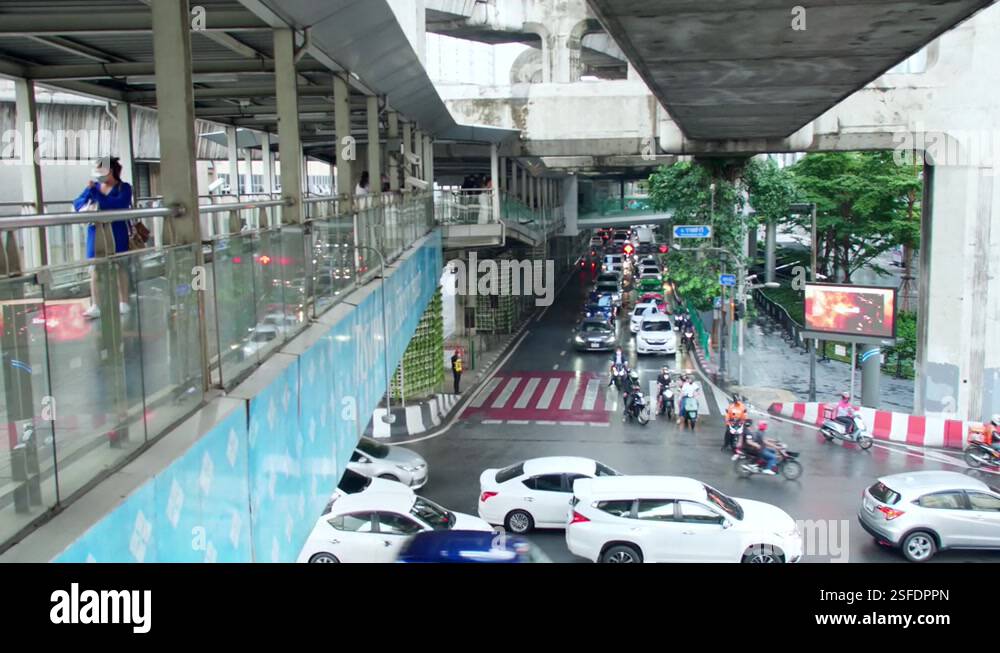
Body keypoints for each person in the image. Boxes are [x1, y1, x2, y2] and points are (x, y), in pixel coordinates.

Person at [73, 156, 133, 319]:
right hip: (95, 229)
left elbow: (118, 205)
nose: (98, 174)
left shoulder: (124, 188)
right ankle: (96, 304)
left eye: (101, 169)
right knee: (95, 267)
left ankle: (124, 301)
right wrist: (88, 200)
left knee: (120, 265)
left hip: (116, 230)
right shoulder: (95, 186)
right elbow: (77, 202)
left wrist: (95, 194)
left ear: (110, 171)